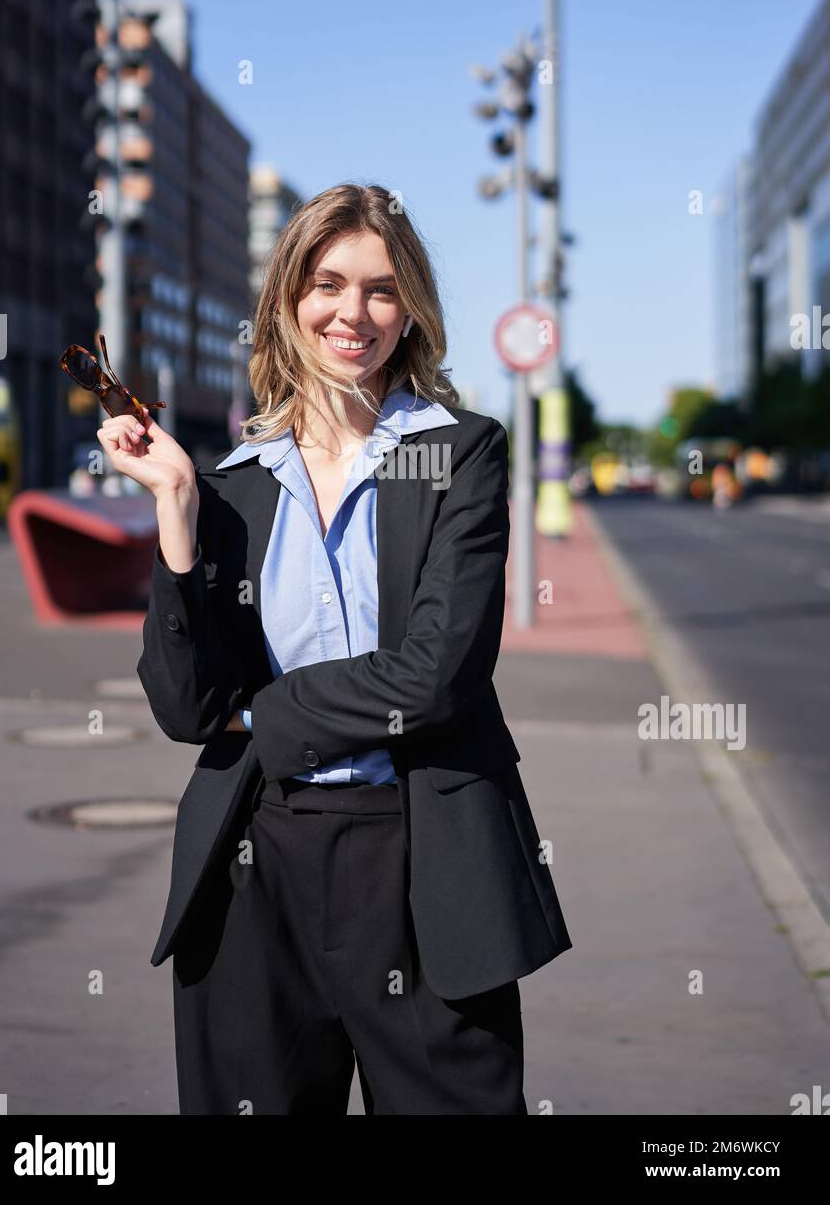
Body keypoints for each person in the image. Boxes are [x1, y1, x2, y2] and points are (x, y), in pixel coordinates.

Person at [98, 182, 572, 1116]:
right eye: (328, 283)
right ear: (288, 302)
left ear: (411, 311)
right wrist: (177, 513)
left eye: (383, 289)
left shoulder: (461, 454)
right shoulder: (234, 481)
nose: (353, 312)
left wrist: (262, 715)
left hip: (423, 857)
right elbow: (188, 709)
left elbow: (436, 675)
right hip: (255, 863)